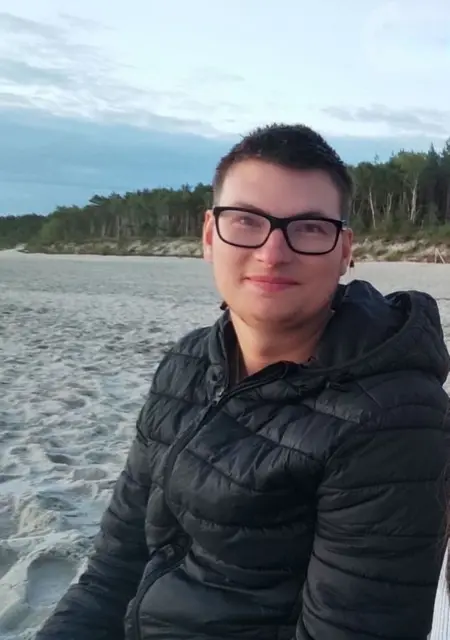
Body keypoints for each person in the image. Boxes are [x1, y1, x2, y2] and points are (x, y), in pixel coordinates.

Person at [36, 123, 450, 640]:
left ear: (345, 250)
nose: (273, 253)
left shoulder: (393, 418)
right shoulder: (187, 363)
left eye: (309, 227)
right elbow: (112, 570)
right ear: (210, 235)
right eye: (247, 221)